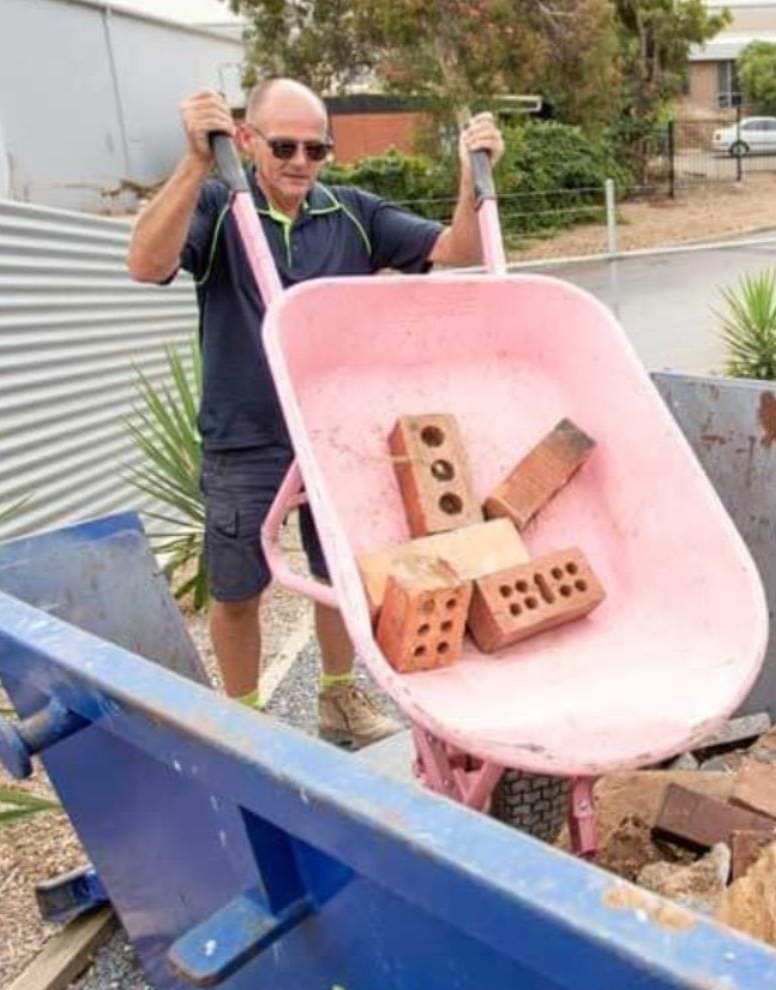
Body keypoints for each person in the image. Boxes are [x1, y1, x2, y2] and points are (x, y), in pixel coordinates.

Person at [126, 78, 504, 748]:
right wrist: (193, 162)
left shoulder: (351, 212)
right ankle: (244, 721)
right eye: (284, 146)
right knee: (239, 590)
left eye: (316, 148)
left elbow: (460, 250)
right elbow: (144, 263)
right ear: (247, 140)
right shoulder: (218, 206)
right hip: (246, 440)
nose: (301, 161)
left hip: (332, 436)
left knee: (342, 577)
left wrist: (469, 177)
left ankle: (338, 701)